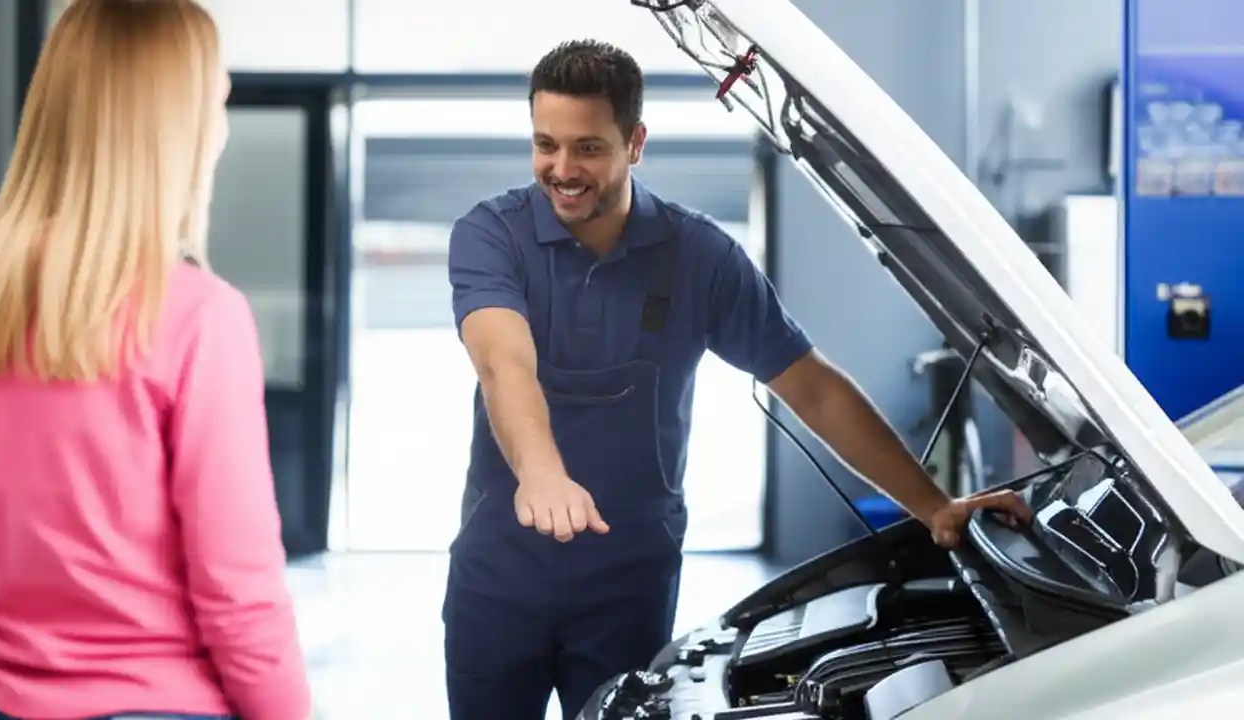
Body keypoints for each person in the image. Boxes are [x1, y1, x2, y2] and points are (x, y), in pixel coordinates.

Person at [442, 38, 1032, 720]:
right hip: (499, 578)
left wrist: (933, 507)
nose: (563, 169)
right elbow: (502, 361)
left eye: (588, 148)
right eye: (546, 144)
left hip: (628, 584)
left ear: (635, 143)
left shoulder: (699, 257)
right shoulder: (492, 234)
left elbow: (810, 385)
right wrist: (542, 472)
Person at [0, 2, 312, 719]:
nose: (220, 131)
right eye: (216, 103)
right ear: (175, 129)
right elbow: (238, 593)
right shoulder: (197, 316)